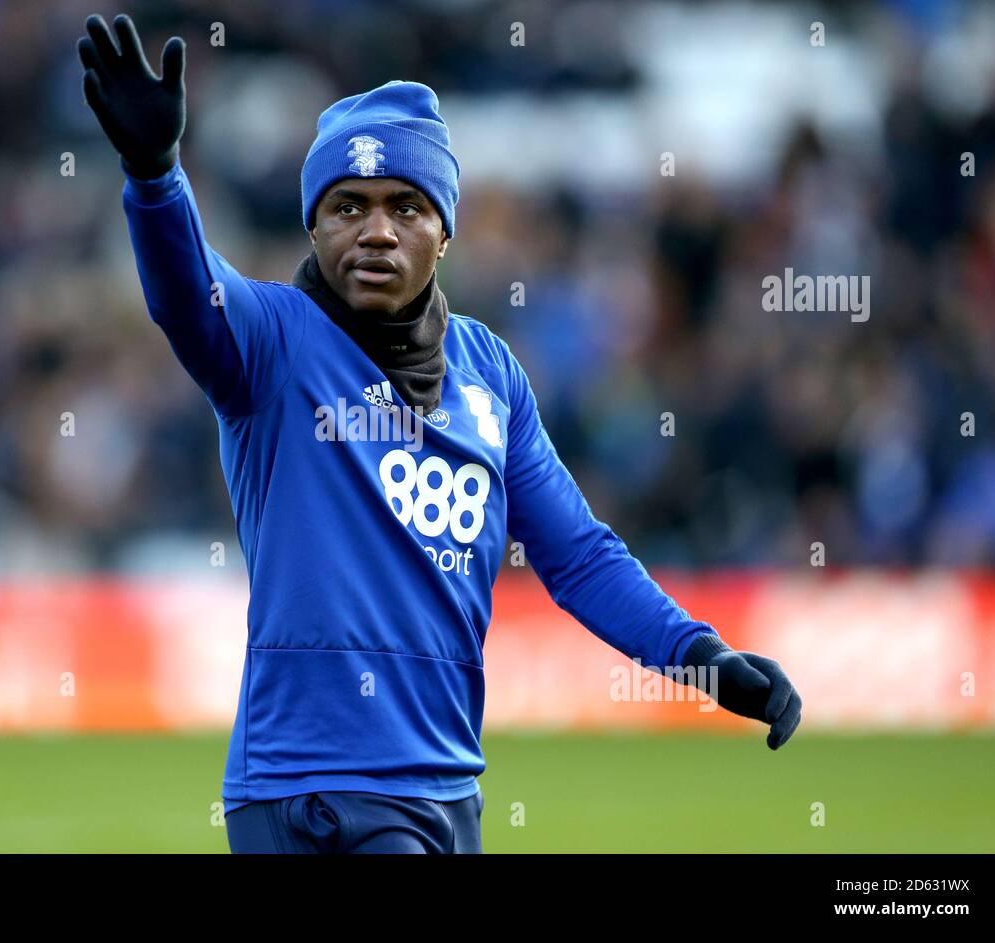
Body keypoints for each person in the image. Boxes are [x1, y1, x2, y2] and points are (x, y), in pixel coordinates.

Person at [77, 13, 802, 854]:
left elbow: (579, 556)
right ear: (314, 226)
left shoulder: (490, 374)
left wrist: (700, 655)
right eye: (348, 205)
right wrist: (155, 175)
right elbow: (183, 294)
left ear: (445, 231)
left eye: (406, 207)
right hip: (303, 788)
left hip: (444, 786)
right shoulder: (269, 342)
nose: (377, 230)